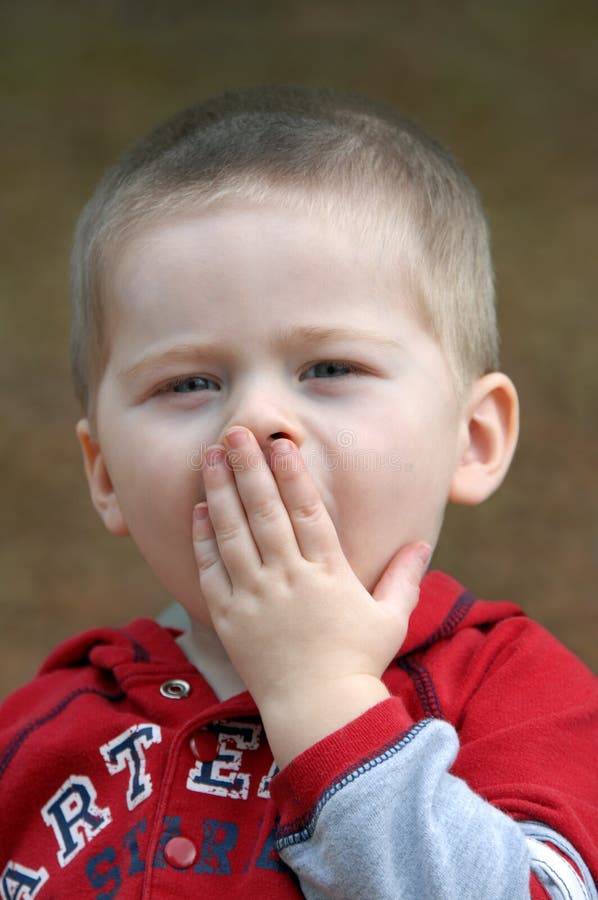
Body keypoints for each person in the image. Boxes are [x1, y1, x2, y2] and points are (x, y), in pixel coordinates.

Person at [0, 85, 596, 900]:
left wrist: (324, 699)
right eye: (189, 382)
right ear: (104, 473)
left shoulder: (520, 695)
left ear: (473, 438)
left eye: (329, 369)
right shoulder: (39, 729)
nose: (254, 422)